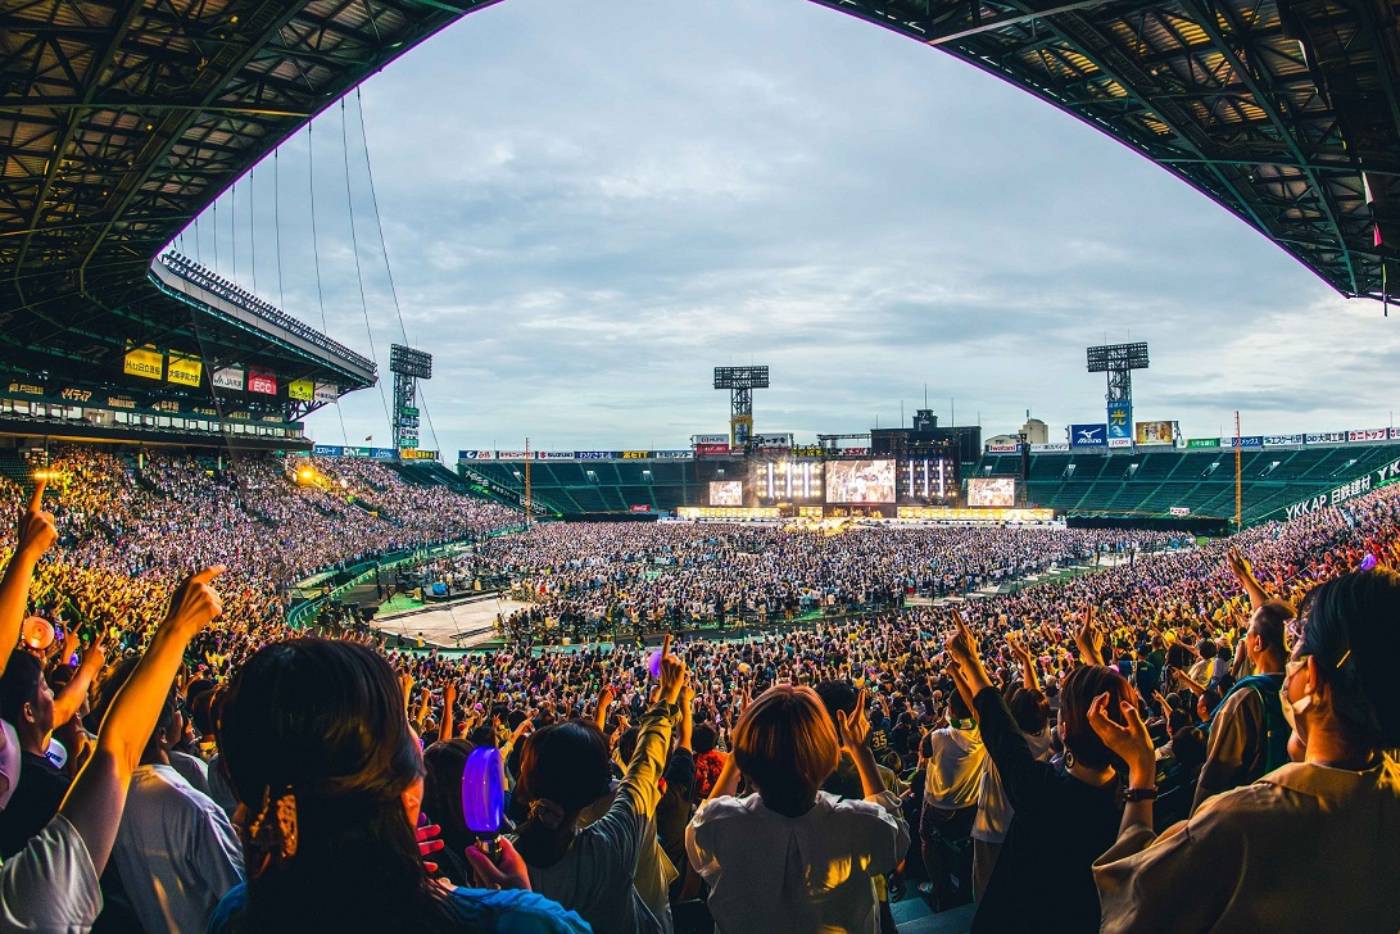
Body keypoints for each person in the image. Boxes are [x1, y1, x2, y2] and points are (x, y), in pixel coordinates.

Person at [1091, 568, 1400, 932]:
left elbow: (1127, 905)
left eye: (1296, 652)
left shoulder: (1236, 823)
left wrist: (1141, 772)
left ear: (1312, 677)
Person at [210, 638, 587, 933]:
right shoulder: (524, 923)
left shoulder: (238, 912)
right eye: (403, 724)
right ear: (406, 794)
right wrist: (520, 903)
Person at [942, 612, 1128, 933]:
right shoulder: (1133, 791)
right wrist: (1093, 658)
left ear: (1065, 732)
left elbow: (1001, 729)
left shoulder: (1041, 793)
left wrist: (971, 661)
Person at [686, 685, 909, 934]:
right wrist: (861, 751)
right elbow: (897, 835)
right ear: (827, 753)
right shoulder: (859, 823)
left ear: (746, 758)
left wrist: (742, 747)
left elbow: (701, 823)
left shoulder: (720, 826)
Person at [512, 637, 687, 934]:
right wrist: (668, 697)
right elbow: (644, 766)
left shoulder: (507, 855)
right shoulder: (611, 841)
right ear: (599, 782)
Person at [101, 658, 244, 934]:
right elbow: (242, 898)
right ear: (163, 734)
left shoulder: (109, 797)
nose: (183, 714)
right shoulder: (193, 808)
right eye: (177, 706)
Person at [1192, 599, 1293, 813]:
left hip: (1246, 820)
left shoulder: (1245, 700)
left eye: (1247, 631)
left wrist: (1194, 825)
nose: (1242, 639)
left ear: (1257, 643)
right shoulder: (1299, 689)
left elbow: (1213, 782)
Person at [916, 687, 984, 910]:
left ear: (951, 712)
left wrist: (938, 724)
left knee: (927, 838)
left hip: (938, 804)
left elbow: (923, 749)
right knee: (967, 845)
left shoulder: (939, 737)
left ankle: (939, 888)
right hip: (971, 804)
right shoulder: (984, 733)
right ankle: (966, 887)